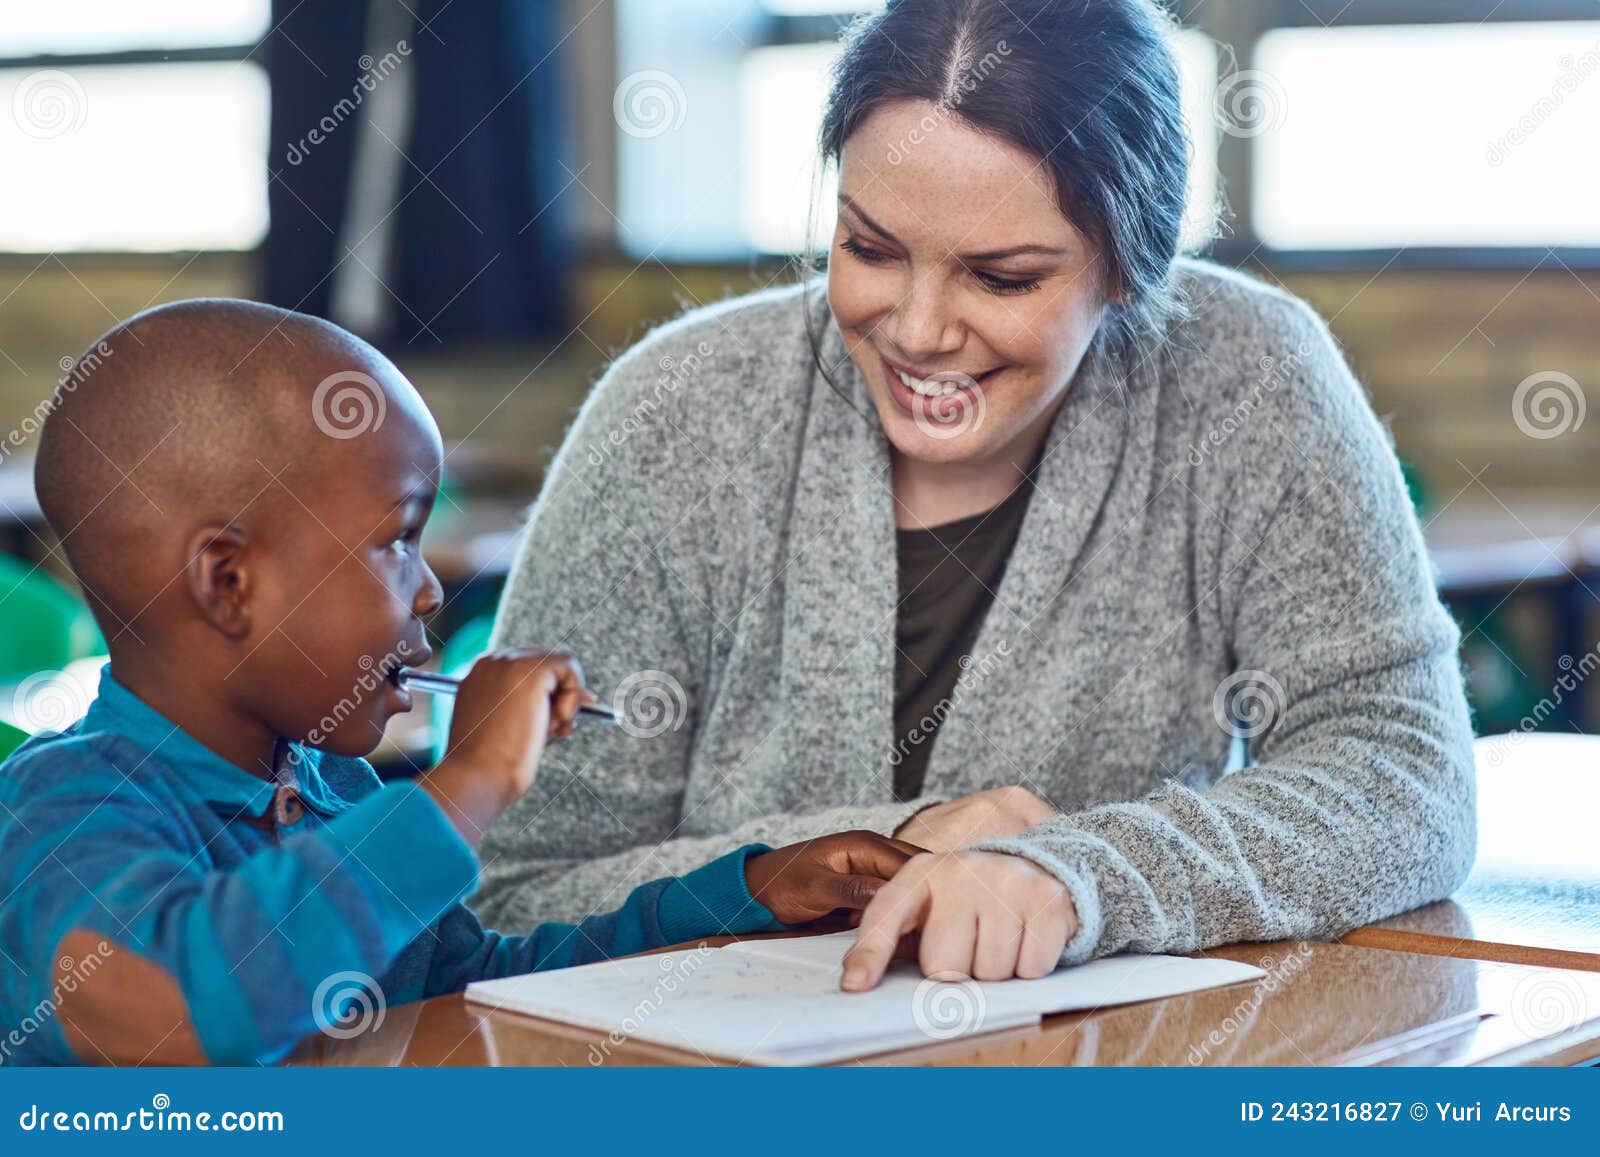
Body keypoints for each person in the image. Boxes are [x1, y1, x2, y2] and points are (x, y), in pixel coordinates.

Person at [478, 0, 1475, 990]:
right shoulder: (675, 414)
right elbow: (513, 892)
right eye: (869, 248)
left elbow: (1402, 775)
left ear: (1132, 262)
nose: (916, 330)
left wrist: (1078, 874)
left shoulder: (1247, 376)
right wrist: (876, 846)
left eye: (998, 278)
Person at [0, 300, 917, 1065]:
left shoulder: (335, 790)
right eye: (398, 539)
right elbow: (178, 1013)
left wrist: (744, 894)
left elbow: (481, 986)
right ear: (229, 582)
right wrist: (464, 785)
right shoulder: (67, 809)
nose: (431, 587)